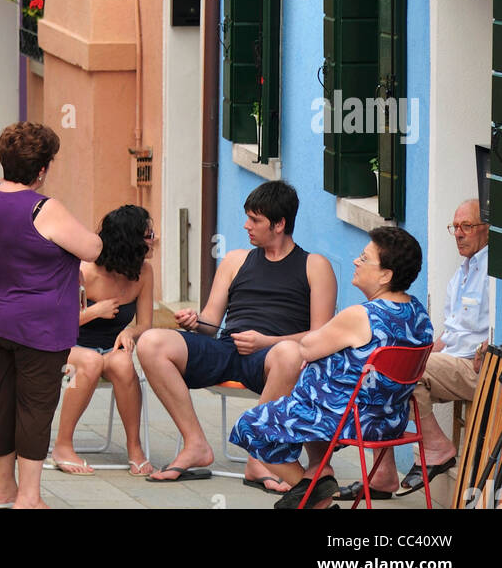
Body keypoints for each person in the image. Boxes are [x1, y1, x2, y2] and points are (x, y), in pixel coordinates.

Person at [138, 180, 337, 488]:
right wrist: (194, 322)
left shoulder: (315, 266)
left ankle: (259, 459)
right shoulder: (235, 260)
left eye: (255, 220)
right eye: (247, 218)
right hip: (228, 350)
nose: (246, 226)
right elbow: (210, 322)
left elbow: (321, 337)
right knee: (151, 342)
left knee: (289, 353)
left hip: (275, 360)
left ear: (280, 223)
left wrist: (266, 342)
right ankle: (195, 445)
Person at [230, 226, 433, 509]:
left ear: (386, 275)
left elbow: (307, 347)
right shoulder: (419, 314)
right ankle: (314, 483)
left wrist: (320, 350)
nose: (355, 261)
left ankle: (314, 491)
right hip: (389, 420)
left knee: (251, 426)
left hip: (348, 420)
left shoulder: (360, 316)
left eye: (364, 258)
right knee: (308, 394)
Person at [0, 121, 102, 510]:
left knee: (4, 401)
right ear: (43, 168)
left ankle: (3, 490)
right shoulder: (43, 207)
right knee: (36, 406)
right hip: (38, 326)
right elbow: (92, 247)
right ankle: (29, 497)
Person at [338, 198, 490, 500]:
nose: (459, 234)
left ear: (487, 229)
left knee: (401, 370)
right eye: (455, 227)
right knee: (379, 376)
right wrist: (421, 350)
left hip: (479, 368)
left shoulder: (493, 271)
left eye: (467, 227)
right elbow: (450, 332)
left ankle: (437, 448)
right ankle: (383, 475)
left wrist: (492, 345)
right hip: (452, 360)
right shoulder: (462, 273)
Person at [51, 204, 155, 476]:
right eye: (147, 235)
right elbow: (53, 323)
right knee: (91, 361)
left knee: (122, 364)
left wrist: (129, 332)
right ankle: (62, 445)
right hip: (68, 345)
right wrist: (93, 312)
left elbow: (145, 324)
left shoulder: (143, 273)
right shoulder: (84, 271)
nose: (153, 239)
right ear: (128, 241)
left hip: (109, 346)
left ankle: (135, 449)